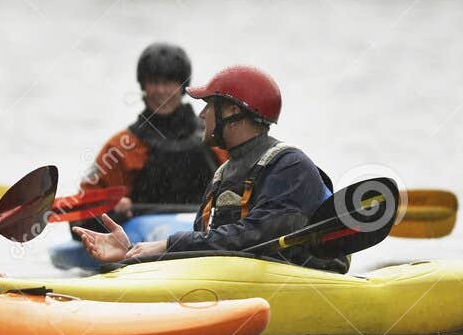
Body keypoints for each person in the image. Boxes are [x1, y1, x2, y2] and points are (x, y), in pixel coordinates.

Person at [73, 65, 346, 272]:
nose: (201, 116)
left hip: (303, 283)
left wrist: (168, 244)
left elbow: (256, 236)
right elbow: (212, 247)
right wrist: (132, 254)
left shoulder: (290, 166)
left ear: (232, 113)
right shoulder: (223, 174)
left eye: (208, 107)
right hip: (238, 285)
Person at [79, 42, 226, 217]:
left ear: (183, 86)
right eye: (154, 82)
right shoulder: (120, 147)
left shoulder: (217, 137)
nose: (161, 90)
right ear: (143, 86)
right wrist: (110, 210)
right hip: (140, 237)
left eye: (169, 82)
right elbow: (81, 215)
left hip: (207, 233)